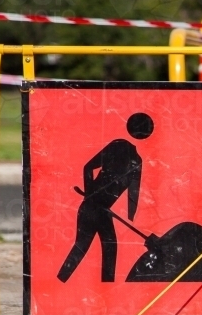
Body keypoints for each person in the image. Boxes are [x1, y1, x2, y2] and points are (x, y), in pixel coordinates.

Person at [57, 112, 151, 283]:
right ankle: (60, 282)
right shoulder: (118, 146)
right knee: (82, 247)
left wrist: (131, 218)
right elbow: (88, 167)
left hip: (103, 210)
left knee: (108, 247)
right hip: (92, 207)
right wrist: (90, 193)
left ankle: (106, 287)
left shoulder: (137, 160)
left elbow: (133, 193)